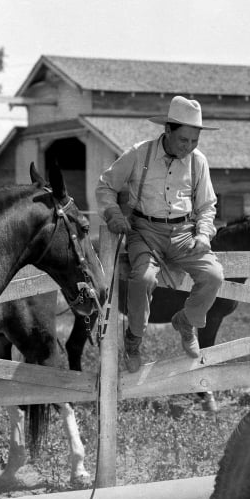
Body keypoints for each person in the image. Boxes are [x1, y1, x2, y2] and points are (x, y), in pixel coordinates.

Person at [95, 96, 224, 373]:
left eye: (194, 141)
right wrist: (113, 214)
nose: (189, 147)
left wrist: (203, 234)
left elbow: (206, 205)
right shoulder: (138, 154)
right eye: (183, 140)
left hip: (184, 232)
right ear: (167, 130)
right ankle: (134, 338)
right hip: (145, 230)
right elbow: (105, 186)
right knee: (142, 278)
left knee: (214, 276)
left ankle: (187, 321)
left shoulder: (198, 161)